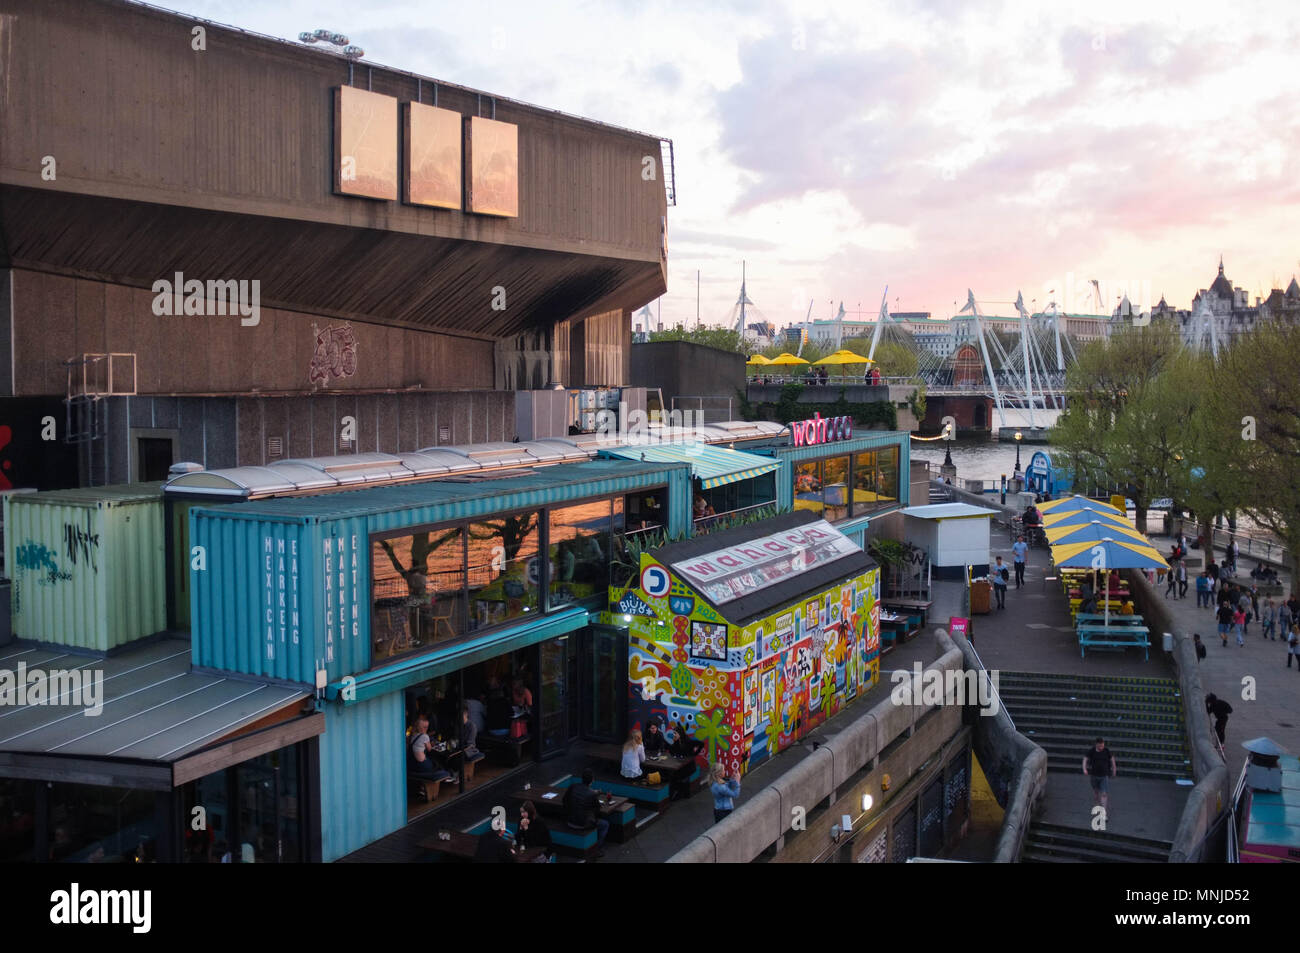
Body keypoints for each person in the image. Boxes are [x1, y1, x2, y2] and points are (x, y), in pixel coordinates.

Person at [563, 769, 609, 857]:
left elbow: (564, 800)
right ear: (592, 780)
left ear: (582, 778)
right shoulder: (591, 795)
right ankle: (597, 849)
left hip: (569, 820)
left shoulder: (573, 787)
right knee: (605, 824)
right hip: (582, 823)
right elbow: (598, 809)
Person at [408, 715, 453, 784]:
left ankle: (444, 775)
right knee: (436, 762)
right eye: (426, 727)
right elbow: (430, 749)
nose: (427, 729)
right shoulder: (424, 736)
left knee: (433, 760)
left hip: (414, 764)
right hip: (422, 765)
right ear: (422, 727)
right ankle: (446, 775)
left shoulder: (412, 736)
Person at [1082, 738, 1117, 815]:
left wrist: (1114, 770)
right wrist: (1084, 768)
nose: (1101, 747)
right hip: (1094, 776)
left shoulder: (1107, 750)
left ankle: (1104, 813)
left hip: (1104, 776)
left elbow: (1112, 760)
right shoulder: (1092, 751)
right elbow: (1085, 759)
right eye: (1100, 746)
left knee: (1104, 794)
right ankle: (1096, 805)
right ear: (1096, 744)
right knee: (1096, 793)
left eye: (1102, 746)